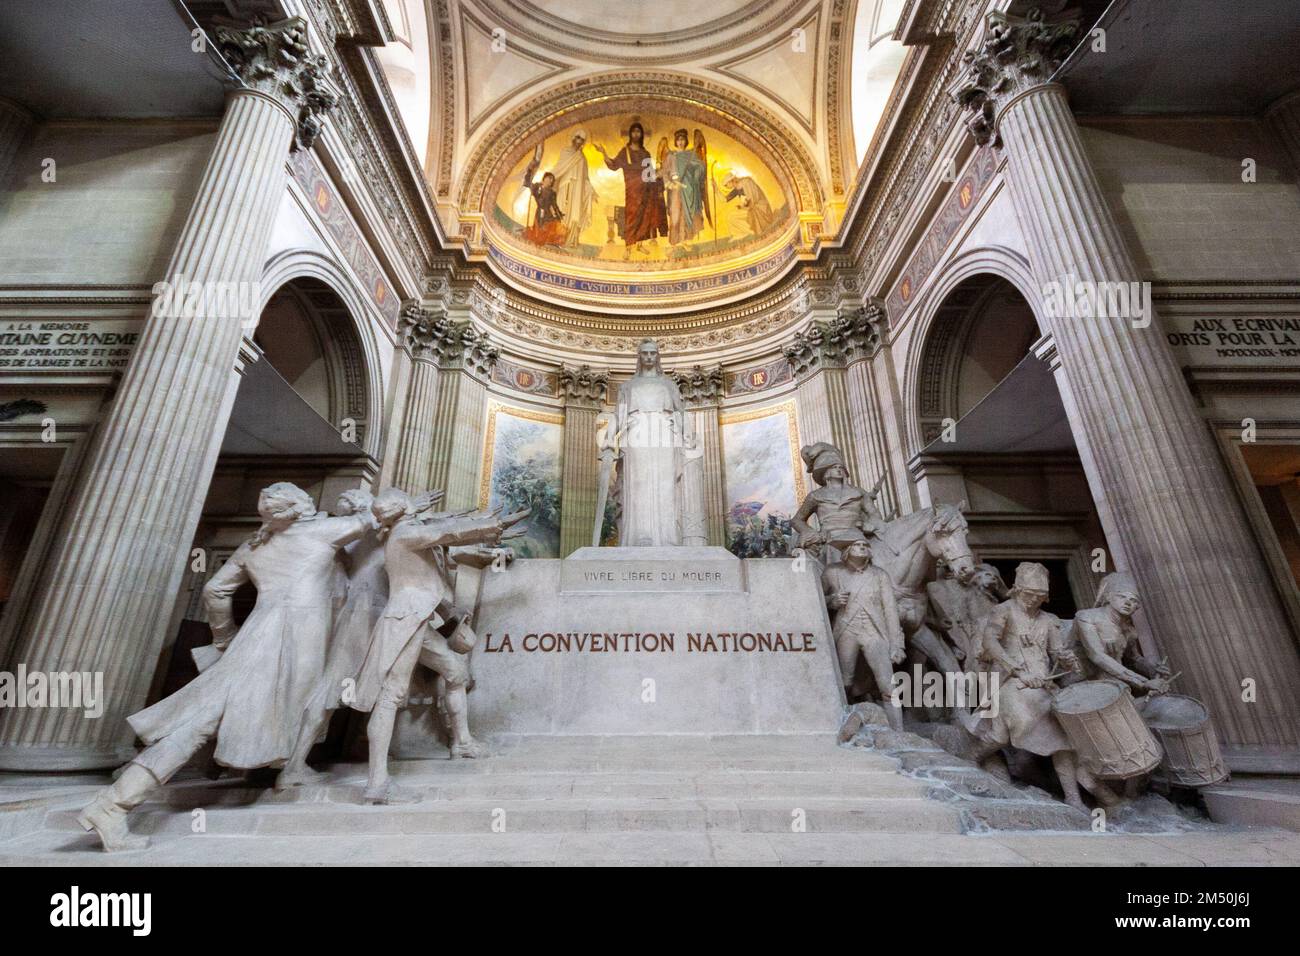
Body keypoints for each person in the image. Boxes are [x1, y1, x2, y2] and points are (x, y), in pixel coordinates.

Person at [77, 483, 370, 851]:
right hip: (288, 642)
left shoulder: (255, 544)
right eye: (308, 500)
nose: (314, 504)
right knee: (201, 722)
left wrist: (224, 638)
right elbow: (373, 517)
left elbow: (215, 590)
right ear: (300, 507)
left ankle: (119, 797)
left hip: (255, 636)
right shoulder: (320, 532)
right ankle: (114, 803)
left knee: (207, 718)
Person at [349, 489, 527, 804]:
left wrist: (488, 529)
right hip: (405, 619)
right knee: (391, 695)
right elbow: (446, 530)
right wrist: (492, 524)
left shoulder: (410, 534)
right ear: (403, 506)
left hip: (420, 619)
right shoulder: (406, 533)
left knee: (455, 670)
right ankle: (377, 784)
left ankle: (462, 742)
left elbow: (444, 537)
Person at [969, 562, 1120, 813]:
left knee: (1062, 737)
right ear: (1017, 591)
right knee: (1001, 734)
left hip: (1042, 684)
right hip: (1008, 680)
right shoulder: (1003, 611)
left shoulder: (1048, 620)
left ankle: (1073, 797)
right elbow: (990, 642)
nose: (1033, 601)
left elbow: (1056, 650)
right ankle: (973, 757)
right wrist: (1017, 670)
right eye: (1029, 595)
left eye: (1039, 597)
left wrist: (1066, 659)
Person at [823, 539, 907, 730]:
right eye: (857, 544)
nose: (863, 547)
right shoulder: (832, 572)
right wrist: (832, 601)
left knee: (888, 684)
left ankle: (898, 732)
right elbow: (816, 601)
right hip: (846, 629)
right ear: (846, 549)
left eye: (865, 545)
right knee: (844, 681)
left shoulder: (879, 575)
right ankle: (837, 726)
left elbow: (891, 611)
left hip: (874, 631)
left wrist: (897, 644)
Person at [1072, 572, 1171, 695]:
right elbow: (1097, 655)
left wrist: (1152, 669)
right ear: (1108, 597)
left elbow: (1133, 658)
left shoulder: (1129, 630)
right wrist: (1142, 682)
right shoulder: (1086, 617)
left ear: (1137, 607)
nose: (1128, 602)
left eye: (1134, 600)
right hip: (1083, 680)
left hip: (1115, 682)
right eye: (1122, 596)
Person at [791, 442, 887, 556]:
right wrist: (809, 532)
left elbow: (874, 514)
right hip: (829, 540)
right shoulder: (815, 495)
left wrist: (870, 524)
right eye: (834, 467)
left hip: (857, 536)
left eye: (840, 467)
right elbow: (797, 520)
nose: (838, 469)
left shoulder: (858, 492)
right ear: (825, 472)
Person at [595, 119, 667, 258]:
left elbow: (649, 173)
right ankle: (628, 247)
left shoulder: (645, 153)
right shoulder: (625, 151)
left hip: (645, 190)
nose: (636, 134)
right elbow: (614, 165)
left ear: (641, 135)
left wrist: (660, 173)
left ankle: (639, 245)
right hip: (632, 189)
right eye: (634, 131)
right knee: (631, 217)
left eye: (638, 131)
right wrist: (603, 153)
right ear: (630, 134)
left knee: (644, 217)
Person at [661, 128, 707, 244]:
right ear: (675, 142)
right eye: (678, 140)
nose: (680, 142)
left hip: (689, 188)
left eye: (682, 139)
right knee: (676, 214)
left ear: (686, 141)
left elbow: (701, 167)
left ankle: (687, 240)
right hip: (676, 189)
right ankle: (676, 241)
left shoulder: (691, 154)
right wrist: (669, 184)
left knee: (690, 215)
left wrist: (696, 168)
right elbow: (665, 172)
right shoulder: (671, 156)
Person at [551, 128, 596, 246]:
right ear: (573, 138)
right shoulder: (565, 152)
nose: (579, 141)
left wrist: (590, 189)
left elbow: (585, 177)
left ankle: (572, 239)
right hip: (565, 186)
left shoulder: (582, 158)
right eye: (577, 137)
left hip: (578, 190)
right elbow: (559, 169)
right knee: (562, 209)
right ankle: (558, 237)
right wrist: (548, 179)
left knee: (575, 212)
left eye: (582, 139)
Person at [521, 165, 566, 246]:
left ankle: (551, 240)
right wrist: (529, 172)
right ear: (544, 178)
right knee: (539, 230)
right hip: (540, 212)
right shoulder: (537, 187)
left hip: (548, 213)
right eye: (549, 179)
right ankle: (539, 239)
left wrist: (559, 214)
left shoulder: (552, 193)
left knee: (552, 225)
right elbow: (528, 183)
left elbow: (554, 205)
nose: (550, 181)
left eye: (552, 180)